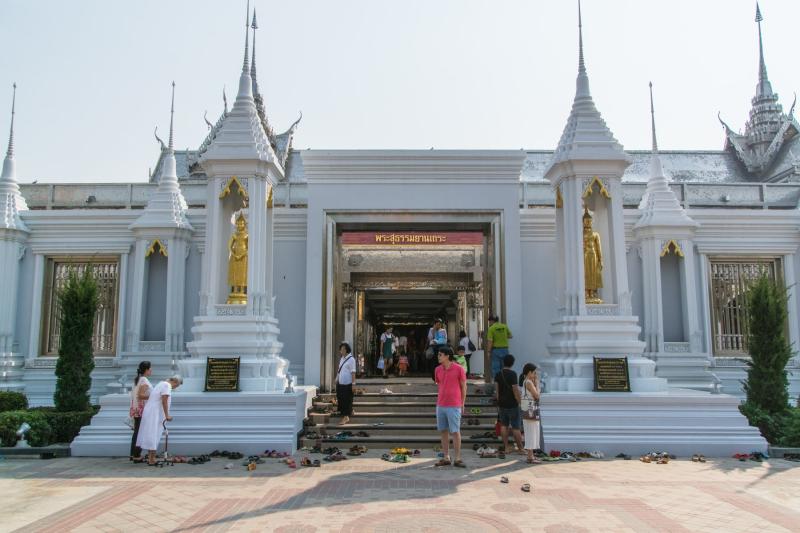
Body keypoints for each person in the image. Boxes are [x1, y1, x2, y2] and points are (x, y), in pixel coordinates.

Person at [137, 374, 183, 466]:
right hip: (154, 413)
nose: (174, 388)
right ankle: (151, 459)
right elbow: (164, 400)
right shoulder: (167, 385)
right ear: (175, 381)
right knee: (154, 434)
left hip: (151, 411)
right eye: (176, 386)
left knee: (152, 434)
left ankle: (151, 458)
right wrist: (167, 415)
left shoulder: (161, 383)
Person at [434, 346, 467, 468]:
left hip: (454, 404)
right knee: (443, 431)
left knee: (455, 431)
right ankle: (446, 457)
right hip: (441, 404)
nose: (438, 356)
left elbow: (464, 387)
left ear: (447, 356)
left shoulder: (459, 369)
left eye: (440, 354)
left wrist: (462, 403)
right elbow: (439, 383)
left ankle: (458, 458)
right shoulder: (437, 369)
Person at [494, 354, 525, 454]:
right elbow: (515, 390)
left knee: (504, 425)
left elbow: (497, 391)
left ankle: (506, 447)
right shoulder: (513, 374)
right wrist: (520, 402)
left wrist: (499, 402)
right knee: (516, 427)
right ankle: (520, 448)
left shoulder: (498, 374)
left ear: (503, 362)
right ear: (512, 363)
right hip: (512, 404)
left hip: (502, 404)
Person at [129, 361, 152, 462]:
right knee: (139, 433)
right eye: (150, 368)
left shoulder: (137, 379)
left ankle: (133, 454)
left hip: (136, 409)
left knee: (137, 432)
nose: (151, 370)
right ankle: (136, 455)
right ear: (146, 370)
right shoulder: (144, 380)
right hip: (142, 410)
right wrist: (154, 396)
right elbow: (141, 395)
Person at [521, 363, 542, 464]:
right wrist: (537, 384)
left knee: (531, 431)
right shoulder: (528, 382)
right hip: (531, 410)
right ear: (529, 372)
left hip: (529, 409)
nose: (535, 374)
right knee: (531, 432)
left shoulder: (526, 381)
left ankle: (531, 455)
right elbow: (537, 396)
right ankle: (530, 456)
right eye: (534, 372)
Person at [486, 315, 512, 382]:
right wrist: (502, 337)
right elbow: (510, 336)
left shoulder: (491, 328)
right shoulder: (504, 326)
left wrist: (488, 351)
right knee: (505, 368)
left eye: (489, 322)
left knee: (496, 369)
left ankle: (497, 385)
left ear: (492, 321)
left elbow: (490, 341)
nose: (489, 323)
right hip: (505, 350)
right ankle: (506, 383)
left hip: (496, 351)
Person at [336, 342, 357, 425]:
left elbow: (353, 372)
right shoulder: (342, 358)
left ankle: (346, 417)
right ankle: (350, 410)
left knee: (346, 400)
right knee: (341, 399)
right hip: (341, 383)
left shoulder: (351, 359)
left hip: (347, 384)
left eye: (342, 349)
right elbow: (339, 369)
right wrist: (337, 378)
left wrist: (353, 384)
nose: (340, 351)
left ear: (346, 350)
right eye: (340, 349)